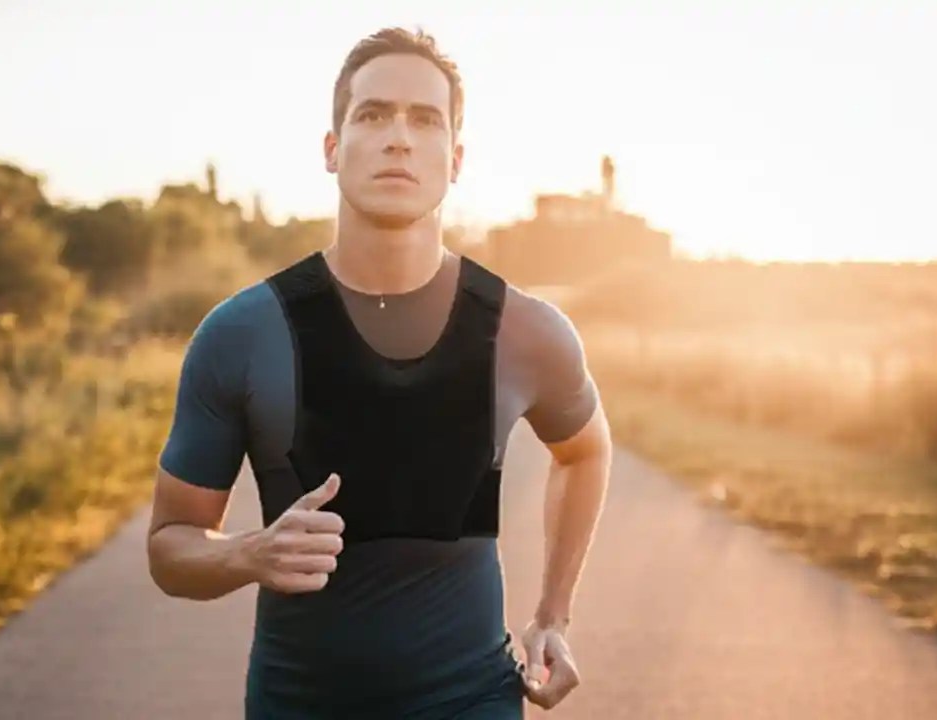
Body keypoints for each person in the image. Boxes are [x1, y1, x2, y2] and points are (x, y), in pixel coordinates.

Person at [147, 26, 613, 719]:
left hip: (472, 700)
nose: (399, 137)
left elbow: (585, 451)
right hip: (297, 704)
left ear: (455, 159)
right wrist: (249, 553)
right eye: (373, 114)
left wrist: (553, 615)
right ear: (332, 150)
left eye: (425, 119)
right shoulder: (241, 334)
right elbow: (169, 548)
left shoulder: (526, 330)